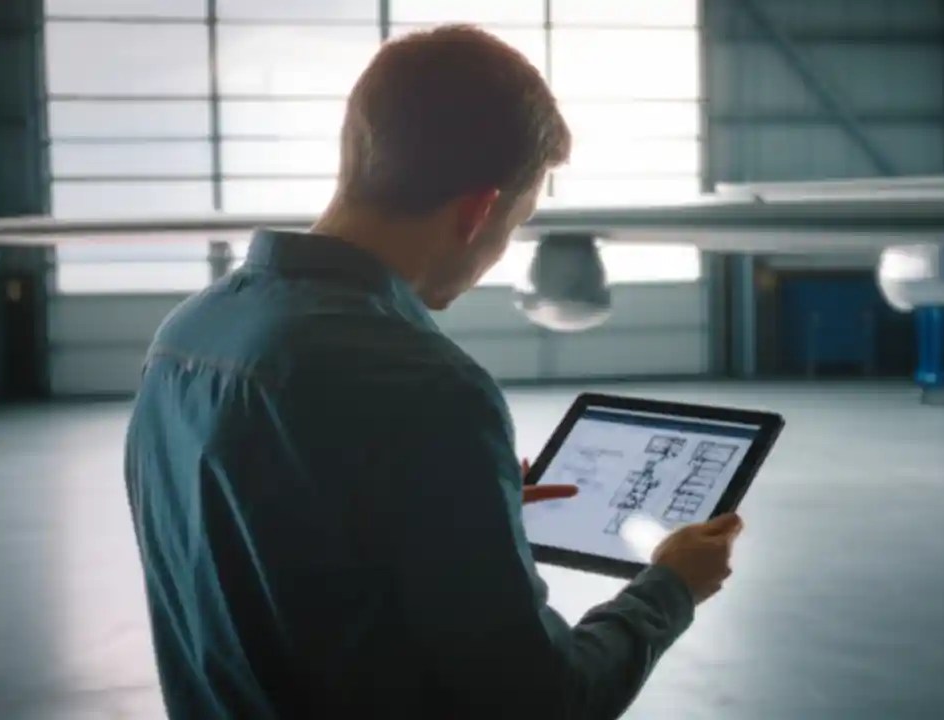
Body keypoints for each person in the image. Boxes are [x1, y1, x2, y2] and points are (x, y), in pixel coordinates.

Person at [123, 24, 744, 720]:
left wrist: (469, 503)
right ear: (479, 212)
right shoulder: (428, 388)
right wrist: (669, 588)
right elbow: (544, 703)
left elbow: (291, 563)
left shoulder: (183, 336)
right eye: (517, 222)